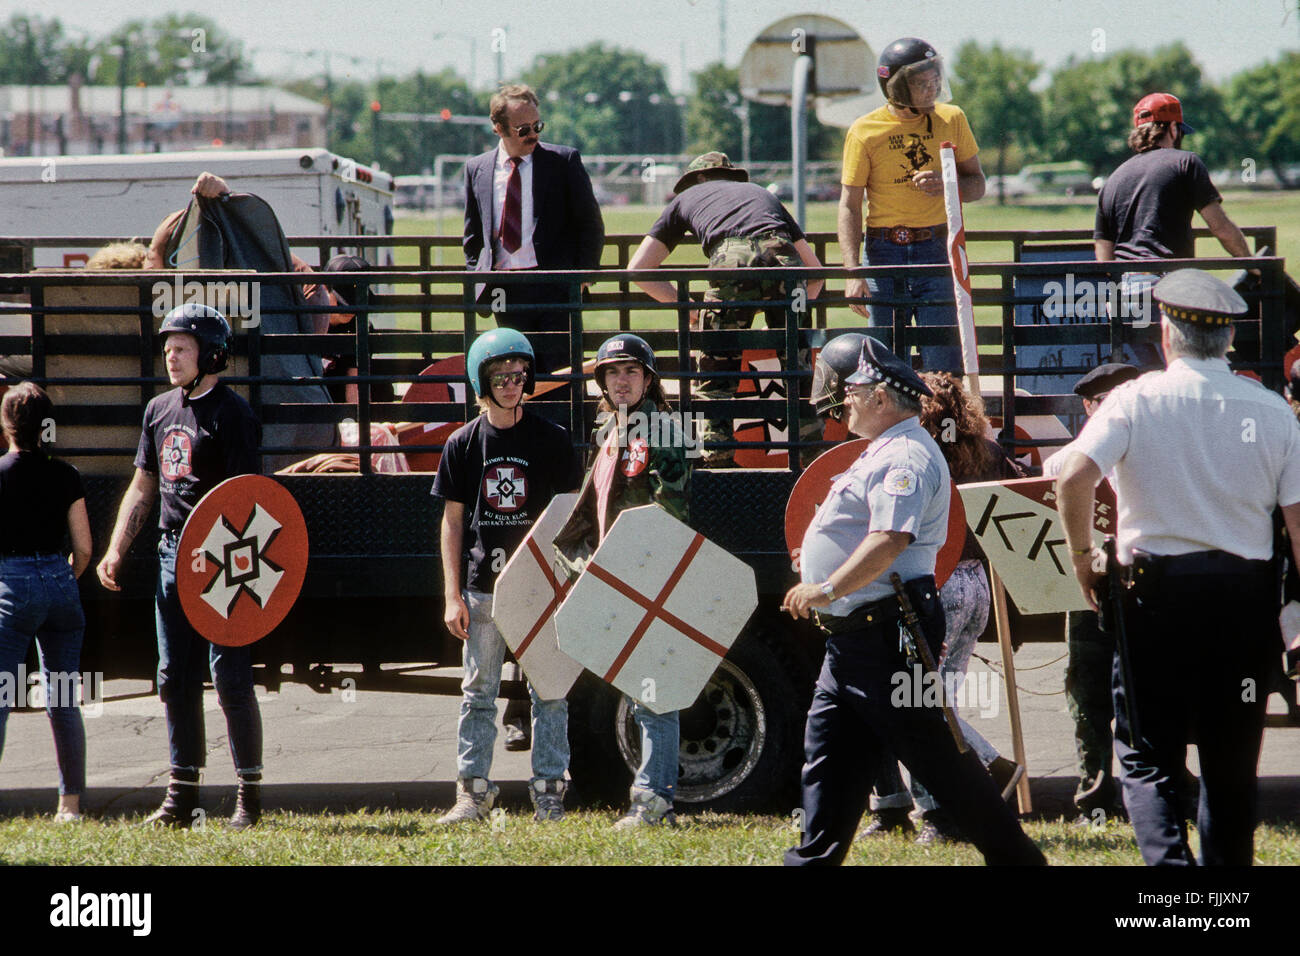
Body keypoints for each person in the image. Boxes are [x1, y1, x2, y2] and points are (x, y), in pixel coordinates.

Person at [1057, 269, 1300, 866]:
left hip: (1154, 600)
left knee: (1146, 753)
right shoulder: (1272, 411)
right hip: (1244, 601)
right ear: (1228, 339)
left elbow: (1071, 475)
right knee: (1231, 757)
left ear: (1167, 334)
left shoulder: (1133, 401)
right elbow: (1298, 524)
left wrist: (1084, 557)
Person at [782, 335, 1045, 866]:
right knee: (830, 756)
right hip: (857, 636)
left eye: (851, 393)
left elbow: (890, 539)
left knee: (939, 760)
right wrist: (818, 562)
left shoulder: (904, 455)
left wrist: (826, 586)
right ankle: (811, 861)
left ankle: (1019, 860)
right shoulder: (886, 448)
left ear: (880, 396)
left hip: (886, 631)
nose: (844, 404)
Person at [97, 303, 265, 830]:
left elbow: (247, 505)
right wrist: (117, 547)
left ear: (211, 355)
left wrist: (215, 554)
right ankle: (181, 795)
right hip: (171, 557)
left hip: (225, 565)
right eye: (167, 348)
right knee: (173, 677)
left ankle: (249, 795)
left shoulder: (235, 416)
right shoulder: (158, 410)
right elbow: (145, 485)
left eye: (182, 348)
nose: (171, 357)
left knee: (231, 678)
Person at [864, 370, 1028, 843]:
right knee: (935, 698)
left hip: (937, 581)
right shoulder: (987, 449)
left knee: (919, 700)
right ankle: (933, 801)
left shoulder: (916, 451)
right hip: (977, 584)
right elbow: (1018, 490)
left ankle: (955, 799)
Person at [431, 328, 580, 823]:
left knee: (550, 692)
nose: (512, 384)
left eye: (518, 375)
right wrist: (452, 595)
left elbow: (570, 519)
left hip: (540, 588)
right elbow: (453, 523)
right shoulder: (462, 443)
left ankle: (549, 794)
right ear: (482, 381)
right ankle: (472, 793)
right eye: (500, 376)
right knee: (478, 694)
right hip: (482, 590)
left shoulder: (553, 440)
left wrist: (567, 586)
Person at [553, 334, 691, 828]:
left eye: (631, 372)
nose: (621, 380)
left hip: (647, 575)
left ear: (649, 380)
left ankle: (655, 802)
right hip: (614, 574)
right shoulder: (611, 429)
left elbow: (669, 514)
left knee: (653, 693)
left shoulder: (663, 429)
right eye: (612, 373)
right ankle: (653, 800)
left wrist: (636, 573)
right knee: (638, 692)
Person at [627, 151, 824, 466]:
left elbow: (638, 269)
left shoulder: (685, 198)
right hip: (786, 262)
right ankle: (813, 457)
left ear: (698, 179)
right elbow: (815, 273)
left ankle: (717, 460)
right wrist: (787, 317)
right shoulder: (762, 194)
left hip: (731, 261)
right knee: (798, 372)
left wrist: (691, 310)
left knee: (717, 376)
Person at [838, 37, 985, 373]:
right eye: (922, 83)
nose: (932, 89)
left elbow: (977, 184)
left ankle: (944, 424)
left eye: (936, 80)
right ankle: (897, 426)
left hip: (936, 249)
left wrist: (948, 184)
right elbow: (849, 204)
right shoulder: (864, 130)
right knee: (887, 360)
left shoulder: (953, 118)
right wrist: (853, 272)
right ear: (898, 89)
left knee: (943, 361)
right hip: (882, 252)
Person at [1042, 363, 1141, 827]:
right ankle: (1097, 798)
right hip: (1089, 593)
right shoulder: (1064, 463)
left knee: (1148, 692)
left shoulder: (1148, 447)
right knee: (1088, 696)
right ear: (1088, 406)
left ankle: (1159, 789)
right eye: (1106, 401)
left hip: (1139, 583)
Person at [463, 84, 605, 381]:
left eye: (537, 125)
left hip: (555, 284)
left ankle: (565, 428)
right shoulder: (477, 169)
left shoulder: (563, 162)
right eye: (523, 128)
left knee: (561, 374)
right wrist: (479, 279)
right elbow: (473, 235)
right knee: (513, 371)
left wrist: (583, 276)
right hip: (504, 289)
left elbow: (590, 222)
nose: (533, 134)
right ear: (498, 129)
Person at [0, 383, 93, 822]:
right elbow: (85, 548)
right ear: (45, 427)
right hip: (59, 581)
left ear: (6, 426)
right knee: (63, 700)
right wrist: (61, 578)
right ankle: (70, 805)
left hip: (11, 585)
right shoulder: (67, 474)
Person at [1095, 93, 1254, 318]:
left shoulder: (1113, 179)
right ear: (1172, 128)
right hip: (1168, 292)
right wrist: (1253, 263)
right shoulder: (1186, 162)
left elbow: (1103, 251)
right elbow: (1220, 227)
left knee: (1155, 353)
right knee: (1220, 330)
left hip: (1123, 301)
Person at [312, 254, 396, 406]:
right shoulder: (308, 319)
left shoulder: (360, 325)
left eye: (355, 304)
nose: (349, 311)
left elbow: (355, 379)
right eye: (342, 303)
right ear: (325, 289)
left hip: (340, 398)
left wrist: (359, 424)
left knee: (381, 384)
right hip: (314, 396)